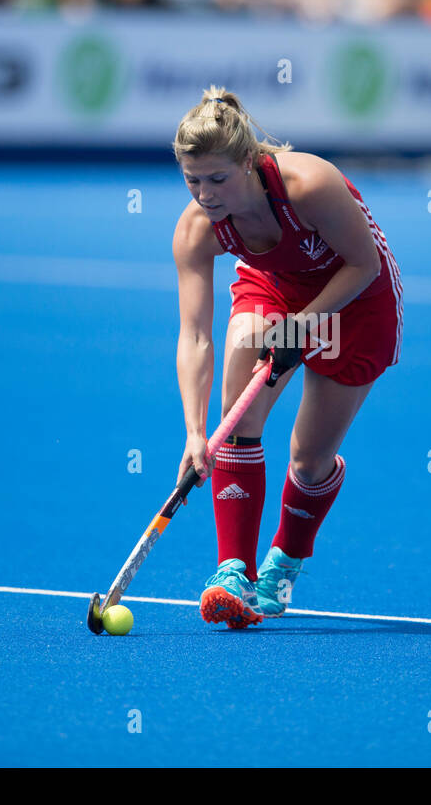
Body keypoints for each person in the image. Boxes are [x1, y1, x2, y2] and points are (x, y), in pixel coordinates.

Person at [171, 85, 403, 629]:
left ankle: (285, 560)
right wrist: (194, 433)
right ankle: (232, 570)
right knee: (239, 413)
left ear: (249, 162)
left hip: (357, 299)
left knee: (308, 457)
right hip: (275, 286)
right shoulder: (195, 230)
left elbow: (363, 264)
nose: (205, 194)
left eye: (218, 179)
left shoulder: (308, 184)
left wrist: (304, 325)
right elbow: (195, 336)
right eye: (192, 180)